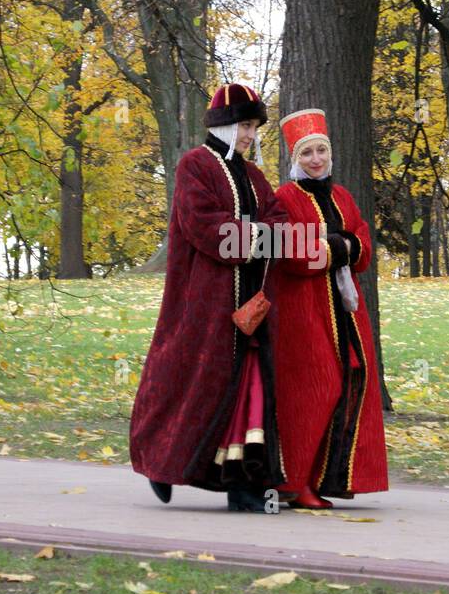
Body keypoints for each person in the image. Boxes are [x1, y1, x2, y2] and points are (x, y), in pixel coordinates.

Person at [129, 83, 290, 512]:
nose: (249, 135)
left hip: (252, 304)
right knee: (187, 382)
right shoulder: (194, 166)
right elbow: (204, 227)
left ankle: (242, 485)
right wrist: (260, 234)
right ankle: (160, 461)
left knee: (249, 389)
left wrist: (262, 233)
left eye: (254, 127)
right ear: (223, 124)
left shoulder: (256, 177)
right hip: (204, 303)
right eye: (244, 125)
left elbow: (280, 222)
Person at [267, 108, 388, 509]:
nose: (316, 159)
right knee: (314, 390)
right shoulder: (285, 198)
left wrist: (340, 248)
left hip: (345, 310)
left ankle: (329, 476)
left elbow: (365, 250)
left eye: (321, 151)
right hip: (304, 310)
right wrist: (342, 247)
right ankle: (294, 481)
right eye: (307, 154)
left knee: (353, 378)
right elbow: (295, 256)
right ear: (294, 159)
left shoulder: (342, 196)